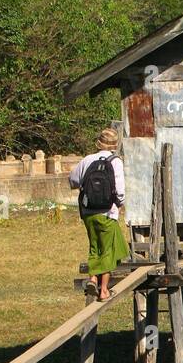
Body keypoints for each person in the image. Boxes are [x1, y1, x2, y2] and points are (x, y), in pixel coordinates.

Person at [69, 128, 128, 300]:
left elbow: (72, 180)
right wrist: (119, 205)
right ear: (115, 145)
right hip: (108, 213)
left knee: (94, 246)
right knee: (108, 250)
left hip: (88, 212)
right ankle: (104, 290)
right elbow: (121, 192)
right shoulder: (115, 161)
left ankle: (93, 279)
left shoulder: (87, 160)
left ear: (99, 143)